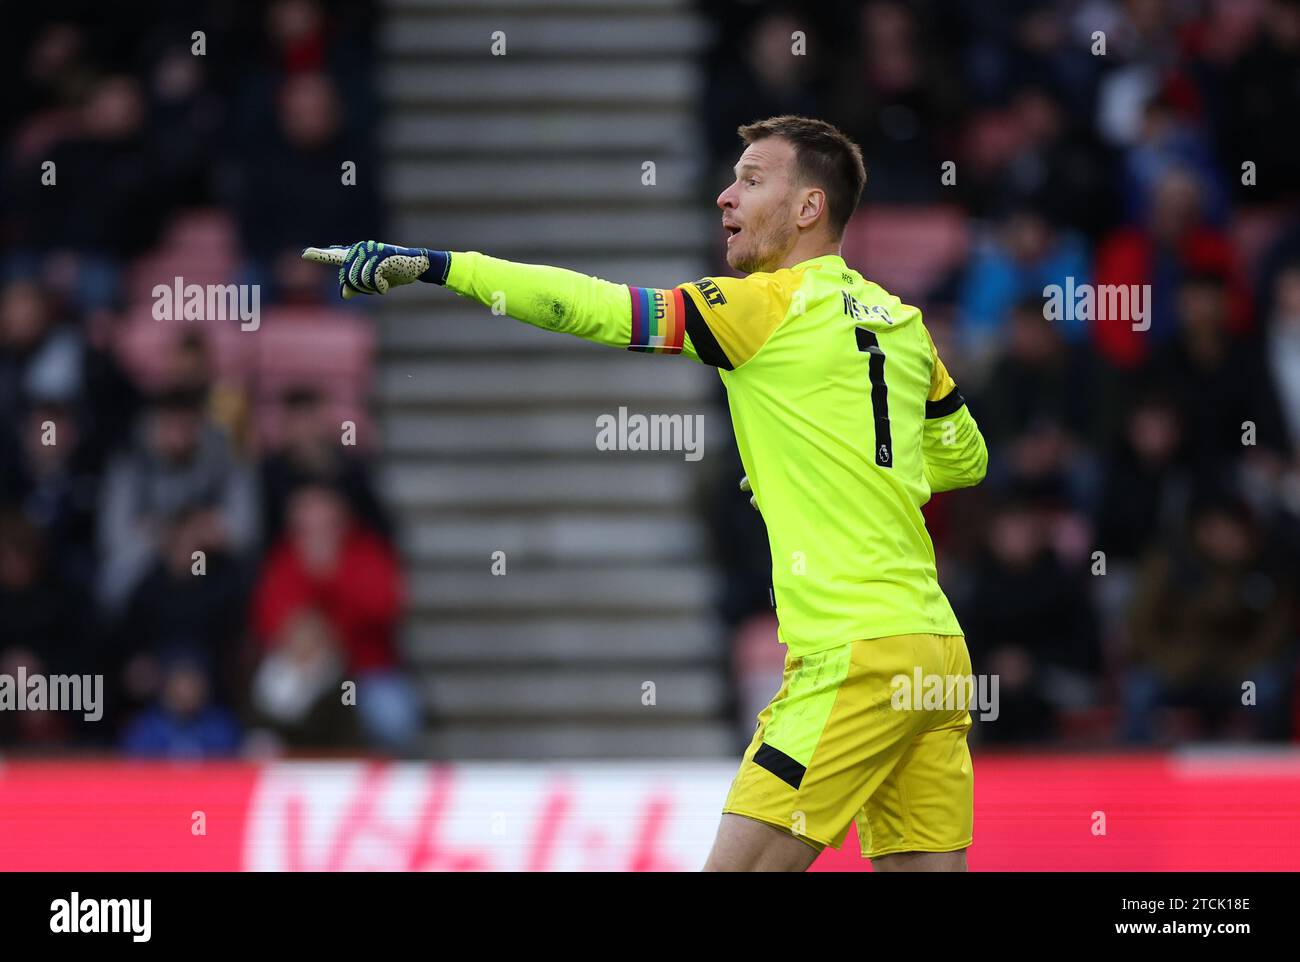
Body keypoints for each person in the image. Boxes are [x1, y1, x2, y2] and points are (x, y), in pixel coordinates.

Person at [302, 115, 988, 872]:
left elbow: (598, 309)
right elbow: (966, 460)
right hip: (935, 654)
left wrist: (442, 265)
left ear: (808, 209)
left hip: (852, 651)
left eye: (752, 181)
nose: (726, 197)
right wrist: (833, 462)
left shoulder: (765, 308)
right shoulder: (903, 324)